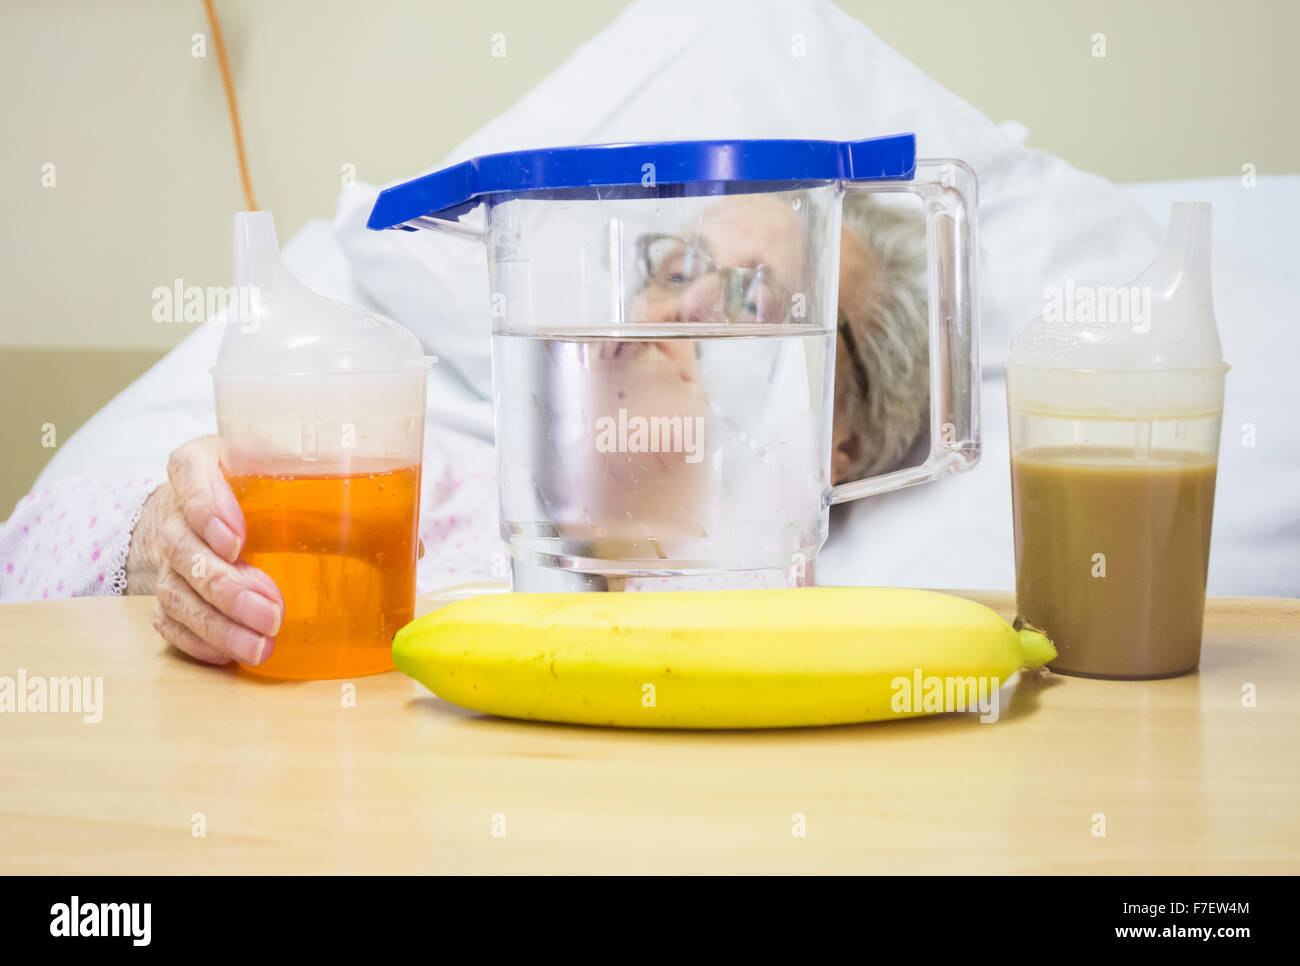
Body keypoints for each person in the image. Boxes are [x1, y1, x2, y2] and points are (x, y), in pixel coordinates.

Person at [0, 194, 929, 667]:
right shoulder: (440, 488)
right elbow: (22, 558)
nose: (682, 304)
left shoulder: (827, 628)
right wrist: (165, 538)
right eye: (679, 260)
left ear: (840, 431)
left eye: (753, 295)